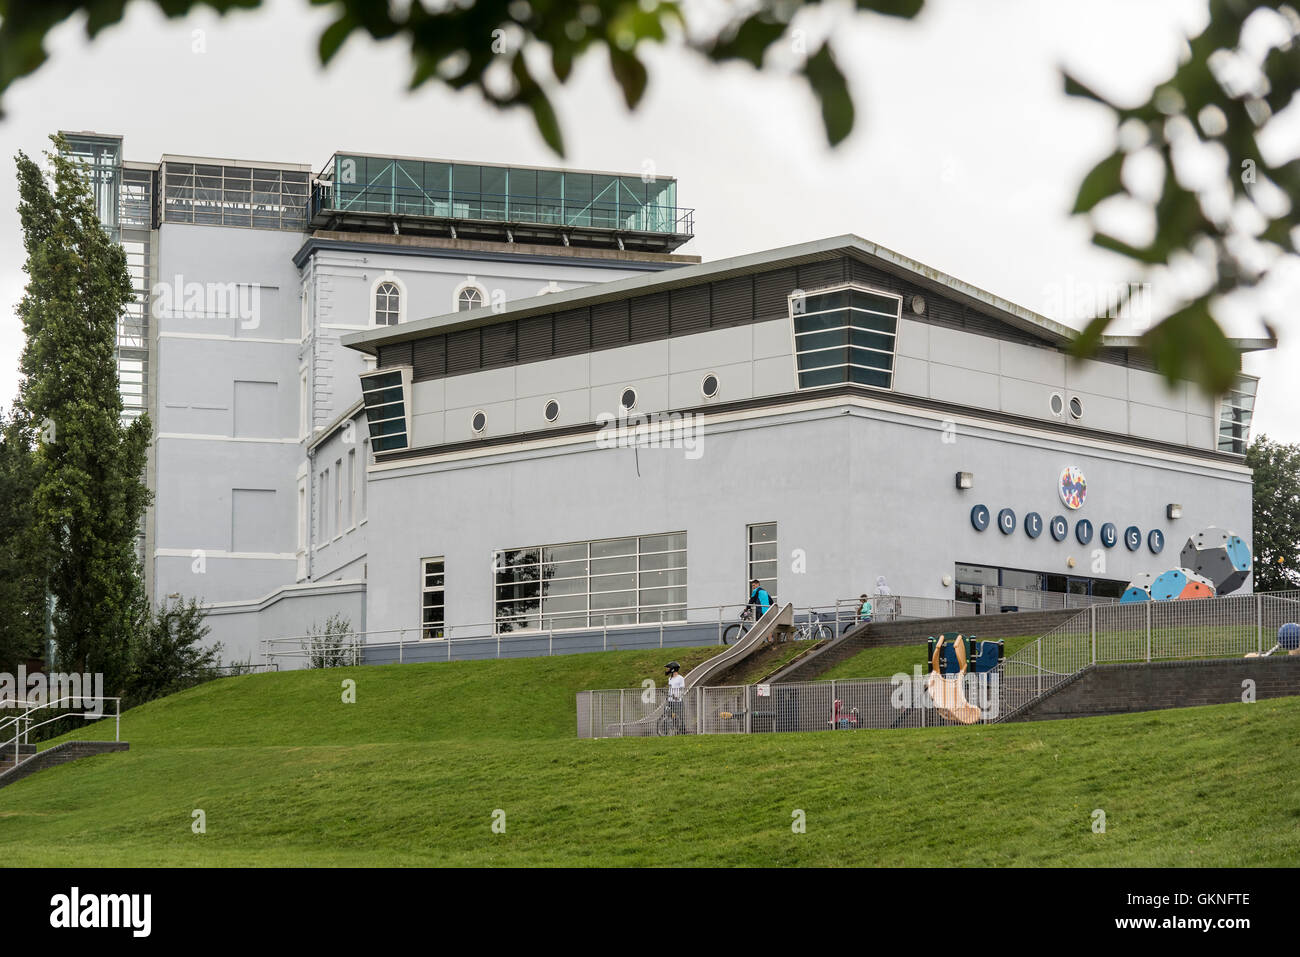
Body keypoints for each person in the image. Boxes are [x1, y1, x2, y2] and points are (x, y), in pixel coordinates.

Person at [664, 660, 686, 734]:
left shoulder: (680, 678)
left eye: (668, 668)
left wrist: (677, 696)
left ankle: (682, 731)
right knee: (669, 715)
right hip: (670, 700)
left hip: (677, 701)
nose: (667, 670)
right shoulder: (670, 679)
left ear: (673, 669)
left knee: (679, 717)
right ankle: (668, 730)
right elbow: (670, 689)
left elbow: (682, 690)